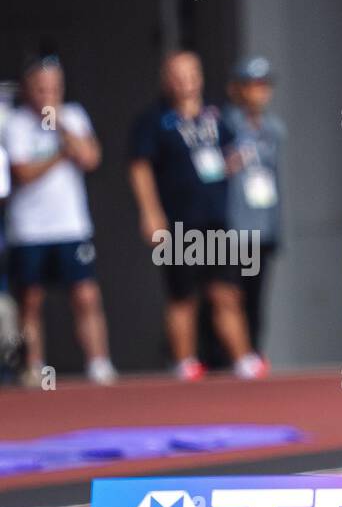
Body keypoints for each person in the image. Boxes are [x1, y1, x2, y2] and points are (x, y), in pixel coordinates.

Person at [128, 50, 267, 381]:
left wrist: (235, 163)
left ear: (200, 78)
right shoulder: (154, 121)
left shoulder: (214, 117)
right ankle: (184, 362)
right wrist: (150, 213)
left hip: (215, 219)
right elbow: (140, 167)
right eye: (177, 75)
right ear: (166, 80)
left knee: (227, 291)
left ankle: (242, 359)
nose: (185, 82)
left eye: (191, 74)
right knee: (182, 295)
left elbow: (230, 154)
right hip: (178, 222)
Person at [2, 55, 117, 386]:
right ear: (28, 90)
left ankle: (99, 364)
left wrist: (63, 130)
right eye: (41, 89)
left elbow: (92, 157)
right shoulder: (15, 124)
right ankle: (34, 367)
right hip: (29, 229)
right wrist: (59, 154)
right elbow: (22, 172)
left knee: (86, 295)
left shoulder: (74, 116)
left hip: (71, 226)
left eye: (54, 88)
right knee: (31, 300)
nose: (47, 95)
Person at [222, 55, 284, 353]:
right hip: (233, 227)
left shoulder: (272, 128)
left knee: (256, 298)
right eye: (252, 85)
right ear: (237, 89)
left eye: (263, 86)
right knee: (228, 297)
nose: (258, 92)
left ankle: (254, 357)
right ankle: (227, 360)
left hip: (262, 227)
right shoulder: (224, 124)